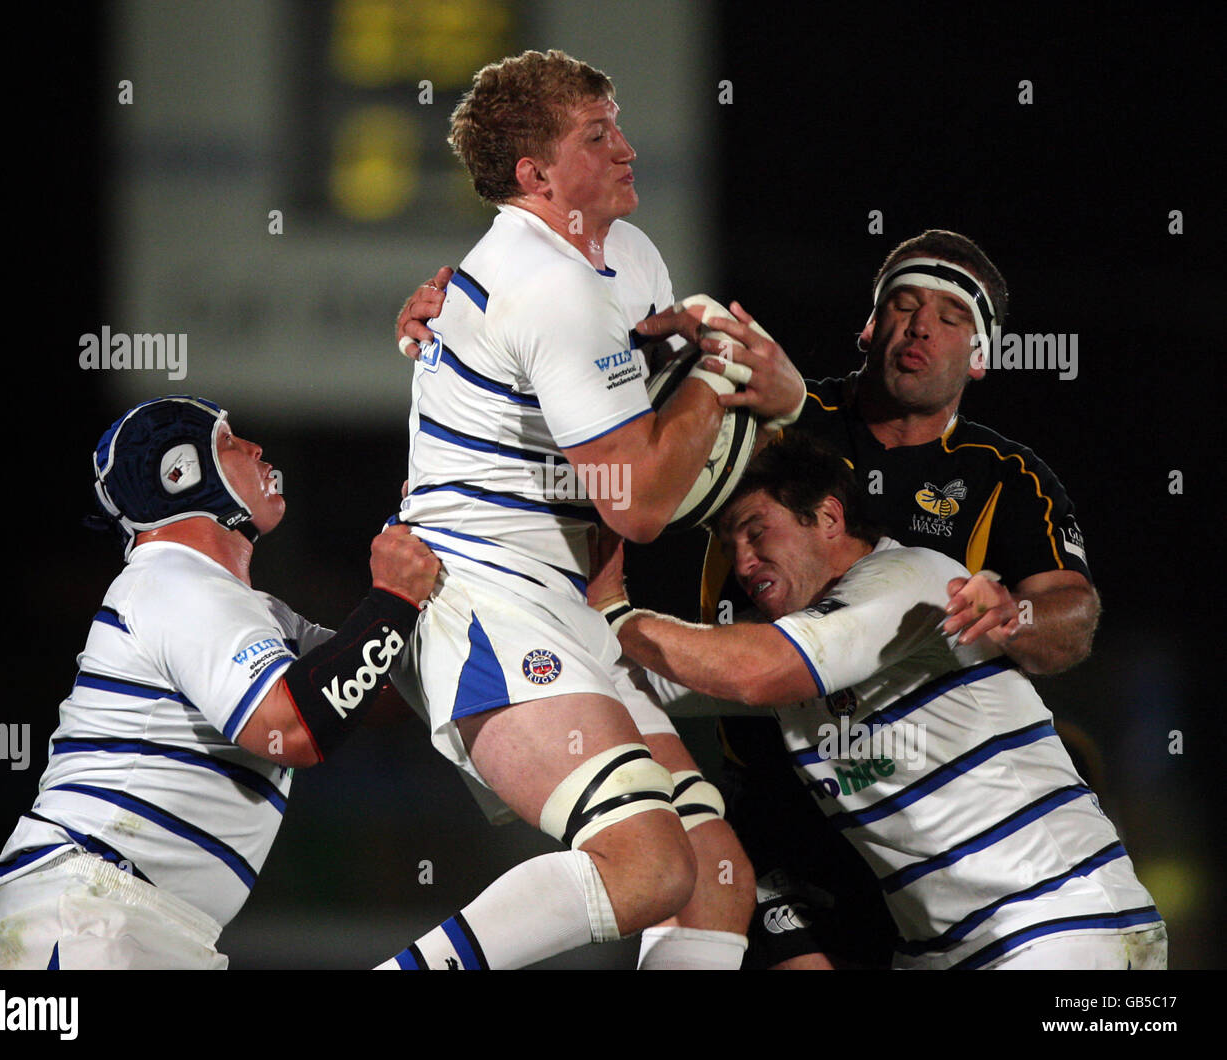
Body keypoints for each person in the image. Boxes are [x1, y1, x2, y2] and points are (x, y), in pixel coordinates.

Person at [397, 229, 1104, 969]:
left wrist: (1016, 616)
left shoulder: (1006, 479)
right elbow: (593, 354)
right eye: (901, 304)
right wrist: (454, 333)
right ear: (869, 327)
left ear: (982, 355)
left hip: (925, 835)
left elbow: (1071, 620)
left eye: (952, 316)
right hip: (774, 810)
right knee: (689, 880)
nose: (920, 324)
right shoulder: (763, 411)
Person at [378, 49, 807, 971]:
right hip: (485, 599)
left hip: (561, 598)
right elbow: (641, 500)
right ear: (536, 175)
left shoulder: (622, 257)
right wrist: (722, 373)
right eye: (597, 135)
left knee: (713, 875)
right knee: (648, 865)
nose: (627, 149)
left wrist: (760, 383)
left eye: (618, 124)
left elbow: (654, 400)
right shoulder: (547, 284)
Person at [588, 432, 1165, 970]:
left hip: (1062, 925)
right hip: (956, 952)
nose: (741, 563)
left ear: (830, 517)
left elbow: (761, 670)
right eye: (728, 542)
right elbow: (641, 678)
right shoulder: (796, 648)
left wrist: (619, 611)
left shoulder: (909, 580)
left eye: (756, 531)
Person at [0, 395, 440, 969]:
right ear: (179, 474)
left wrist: (420, 544)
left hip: (121, 920)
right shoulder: (172, 579)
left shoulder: (222, 598)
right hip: (92, 918)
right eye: (229, 441)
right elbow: (292, 728)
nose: (256, 449)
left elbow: (372, 683)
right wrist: (393, 597)